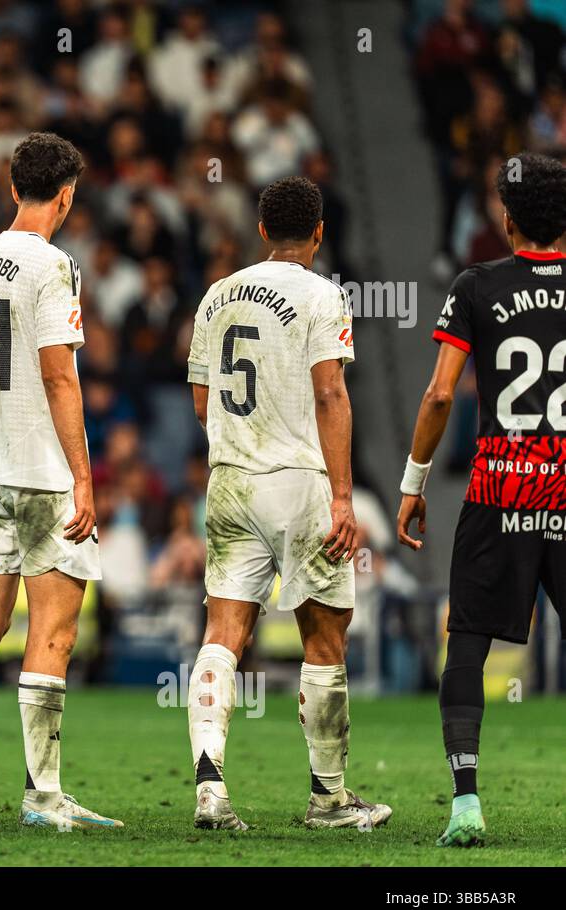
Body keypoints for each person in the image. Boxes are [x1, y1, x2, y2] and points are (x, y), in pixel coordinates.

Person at [185, 175, 390, 831]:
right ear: (320, 232)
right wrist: (342, 495)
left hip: (229, 481)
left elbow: (201, 401)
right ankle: (328, 799)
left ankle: (211, 791)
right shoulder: (322, 294)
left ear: (262, 230)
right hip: (298, 482)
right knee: (323, 638)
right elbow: (330, 393)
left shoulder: (216, 296)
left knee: (223, 635)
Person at [0, 131, 120, 830]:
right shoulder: (54, 266)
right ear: (66, 196)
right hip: (43, 474)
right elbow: (58, 372)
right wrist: (84, 477)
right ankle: (43, 799)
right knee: (54, 630)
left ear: (13, 188)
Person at [397, 153, 566, 848]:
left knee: (467, 637)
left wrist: (414, 482)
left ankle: (466, 803)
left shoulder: (478, 286)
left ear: (506, 218)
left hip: (502, 481)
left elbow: (441, 392)